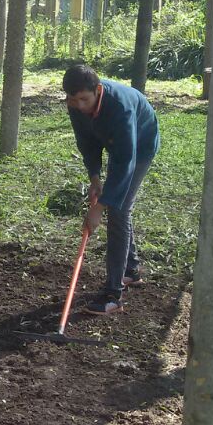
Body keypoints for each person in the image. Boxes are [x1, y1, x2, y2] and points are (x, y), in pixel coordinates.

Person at [62, 64, 160, 316]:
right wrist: (95, 179)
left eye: (84, 99)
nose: (79, 105)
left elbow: (124, 161)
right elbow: (86, 143)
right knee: (119, 207)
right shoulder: (75, 105)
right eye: (73, 100)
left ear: (98, 90)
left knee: (118, 210)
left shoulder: (119, 107)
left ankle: (113, 294)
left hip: (140, 143)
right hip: (108, 137)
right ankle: (131, 270)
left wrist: (99, 207)